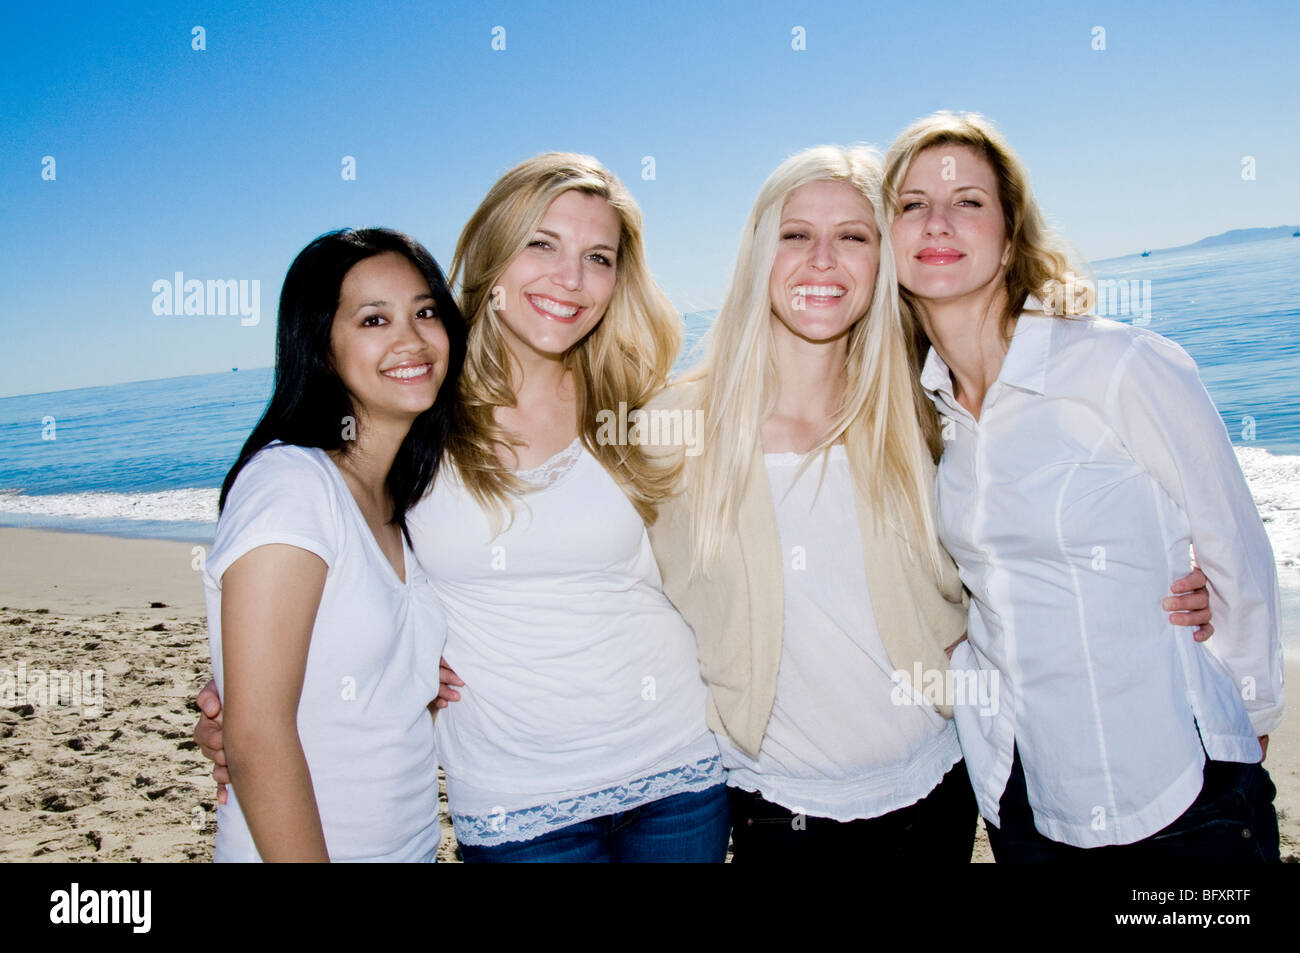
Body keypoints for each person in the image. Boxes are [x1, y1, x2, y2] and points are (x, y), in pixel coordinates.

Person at [643, 145, 1215, 862]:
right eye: (796, 235)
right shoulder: (669, 431)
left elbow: (1036, 539)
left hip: (944, 784)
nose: (823, 259)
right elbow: (589, 558)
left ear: (883, 261)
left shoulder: (925, 411)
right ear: (759, 250)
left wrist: (1179, 580)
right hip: (774, 805)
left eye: (853, 236)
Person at [199, 154, 729, 863]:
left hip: (675, 767)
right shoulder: (417, 413)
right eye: (541, 243)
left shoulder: (642, 407)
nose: (569, 278)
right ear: (492, 253)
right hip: (514, 797)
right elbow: (331, 561)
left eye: (596, 256)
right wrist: (240, 696)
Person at [882, 110, 1284, 861]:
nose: (938, 220)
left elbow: (1232, 539)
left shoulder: (1120, 364)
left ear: (1009, 236)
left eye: (968, 200)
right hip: (1026, 801)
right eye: (912, 204)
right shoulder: (919, 409)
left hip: (1181, 791)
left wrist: (1251, 703)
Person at [202, 228, 466, 862]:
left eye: (425, 311)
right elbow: (258, 732)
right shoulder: (291, 484)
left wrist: (408, 679)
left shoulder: (398, 498)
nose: (412, 338)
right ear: (320, 348)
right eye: (374, 319)